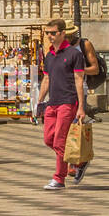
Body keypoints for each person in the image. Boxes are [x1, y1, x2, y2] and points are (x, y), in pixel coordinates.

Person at [37, 19, 87, 189]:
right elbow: (46, 79)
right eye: (47, 33)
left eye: (53, 33)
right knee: (48, 139)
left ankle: (59, 178)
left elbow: (79, 80)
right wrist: (39, 102)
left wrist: (81, 107)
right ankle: (79, 162)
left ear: (62, 33)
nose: (49, 36)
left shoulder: (74, 54)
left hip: (68, 101)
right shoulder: (49, 55)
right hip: (52, 103)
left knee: (59, 141)